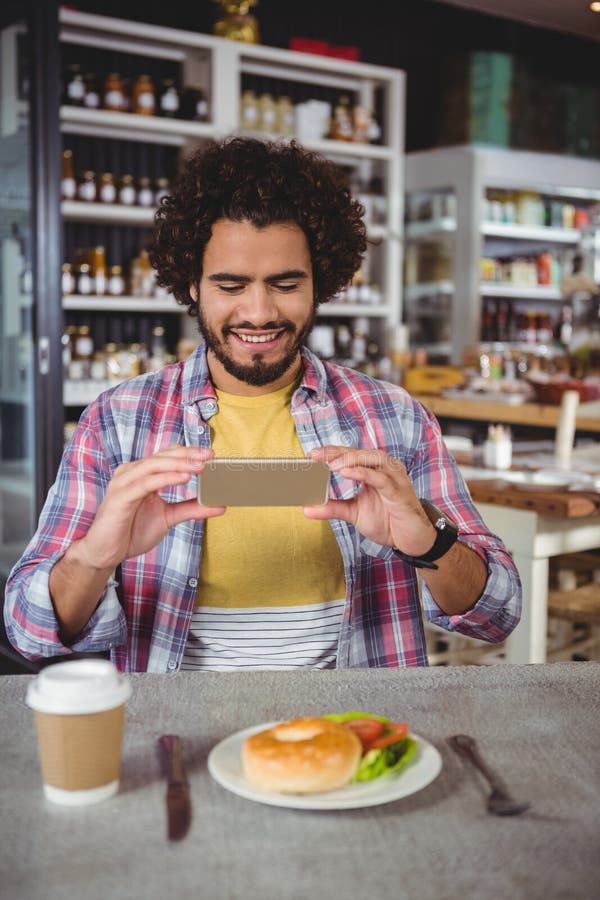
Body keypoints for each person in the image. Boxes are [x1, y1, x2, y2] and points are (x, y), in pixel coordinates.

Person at [4, 137, 521, 673]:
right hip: (173, 739)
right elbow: (28, 629)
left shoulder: (393, 417)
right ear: (192, 286)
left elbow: (498, 615)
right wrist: (95, 557)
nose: (259, 312)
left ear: (320, 282)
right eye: (230, 285)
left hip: (355, 730)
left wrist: (428, 544)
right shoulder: (117, 422)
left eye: (286, 283)